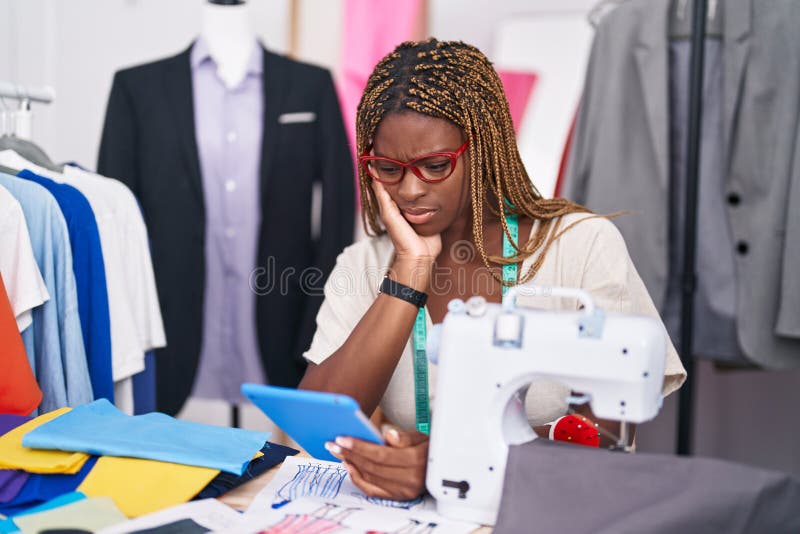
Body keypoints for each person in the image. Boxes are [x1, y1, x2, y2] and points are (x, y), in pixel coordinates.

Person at [299, 38, 686, 501]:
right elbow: (317, 424)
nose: (409, 189)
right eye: (387, 168)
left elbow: (606, 436)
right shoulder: (366, 264)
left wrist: (449, 463)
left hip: (553, 509)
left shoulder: (579, 245)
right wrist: (408, 275)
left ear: (482, 148)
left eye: (434, 165)